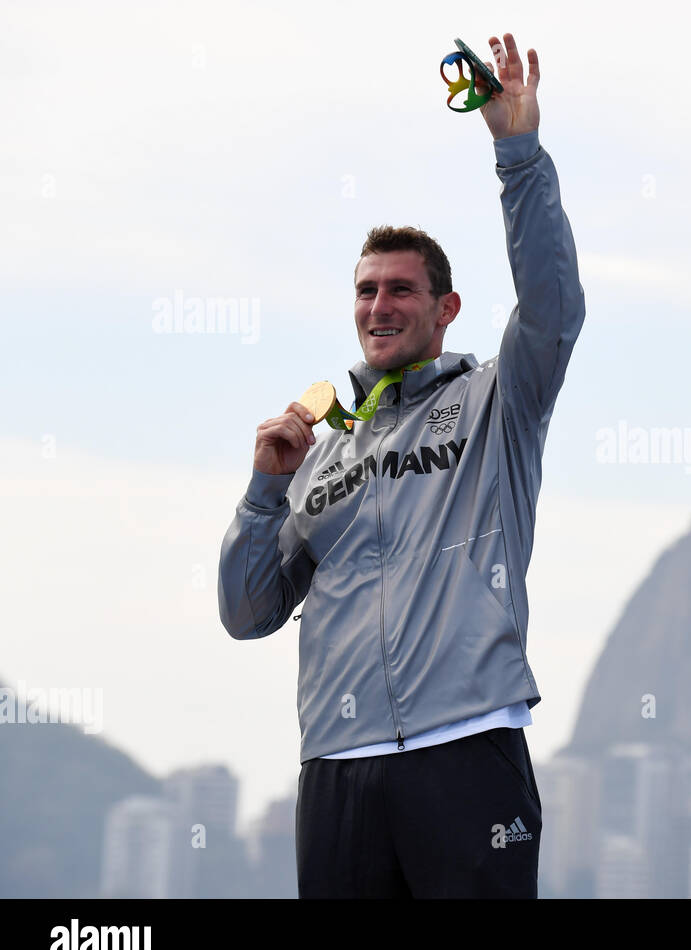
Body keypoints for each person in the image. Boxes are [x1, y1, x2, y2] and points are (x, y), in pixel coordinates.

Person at [217, 32, 584, 898]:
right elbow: (246, 612)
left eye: (401, 289)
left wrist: (517, 154)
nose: (380, 305)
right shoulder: (315, 449)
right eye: (366, 289)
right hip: (338, 766)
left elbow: (554, 307)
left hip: (466, 745)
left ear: (446, 307)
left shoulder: (499, 401)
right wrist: (266, 488)